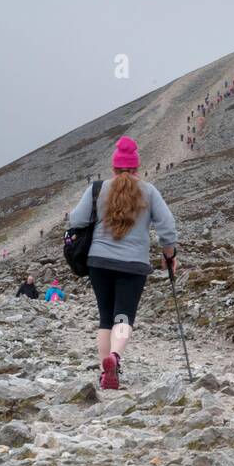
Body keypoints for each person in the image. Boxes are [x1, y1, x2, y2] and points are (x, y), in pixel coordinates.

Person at [67, 136, 177, 390]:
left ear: (113, 167)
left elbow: (76, 220)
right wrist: (169, 255)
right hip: (133, 264)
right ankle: (115, 357)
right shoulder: (149, 191)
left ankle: (104, 371)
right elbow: (167, 227)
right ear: (137, 167)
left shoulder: (98, 189)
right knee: (123, 317)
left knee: (105, 318)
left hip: (99, 261)